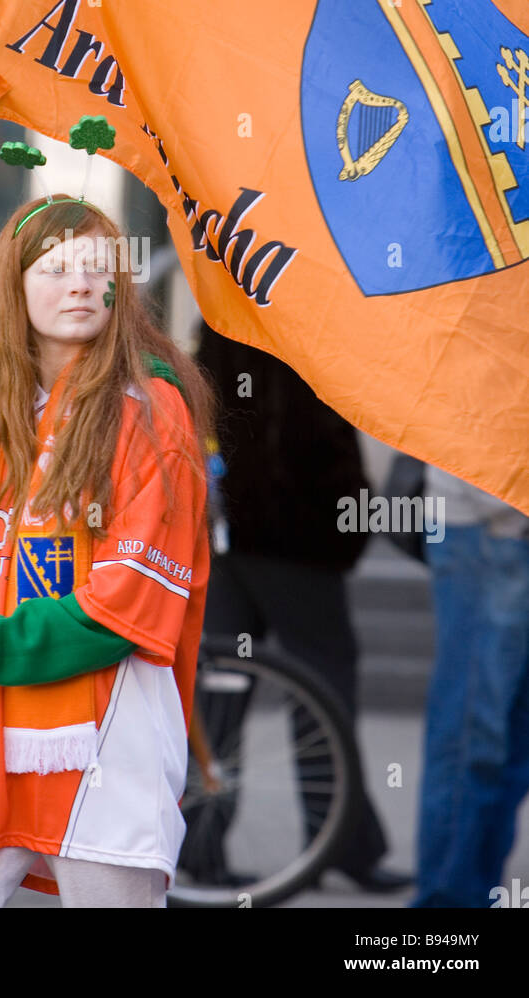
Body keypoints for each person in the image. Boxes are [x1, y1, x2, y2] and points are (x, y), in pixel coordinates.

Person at [0, 193, 215, 908]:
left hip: (104, 736)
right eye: (56, 267)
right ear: (14, 288)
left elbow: (121, 609)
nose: (79, 283)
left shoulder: (151, 407)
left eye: (98, 268)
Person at [193, 320, 413, 892]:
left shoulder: (220, 308)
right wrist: (345, 521)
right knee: (323, 691)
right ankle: (340, 841)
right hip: (293, 537)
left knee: (221, 688)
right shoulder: (296, 312)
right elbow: (312, 436)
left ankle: (197, 843)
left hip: (226, 531)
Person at [410, 465, 529, 909]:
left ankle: (471, 891)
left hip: (499, 524)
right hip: (488, 524)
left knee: (506, 737)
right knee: (472, 730)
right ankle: (448, 902)